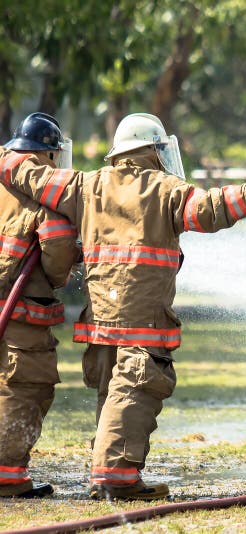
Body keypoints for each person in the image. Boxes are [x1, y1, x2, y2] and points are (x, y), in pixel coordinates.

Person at [0, 112, 246, 500]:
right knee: (134, 392)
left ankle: (107, 473)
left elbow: (32, 177)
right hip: (143, 320)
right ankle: (114, 477)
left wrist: (9, 157)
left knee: (112, 393)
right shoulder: (166, 190)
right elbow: (210, 209)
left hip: (99, 322)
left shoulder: (85, 186)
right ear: (152, 151)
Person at [0, 113, 80, 498]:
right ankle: (8, 478)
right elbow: (59, 255)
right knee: (24, 392)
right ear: (48, 155)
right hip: (21, 321)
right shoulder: (42, 198)